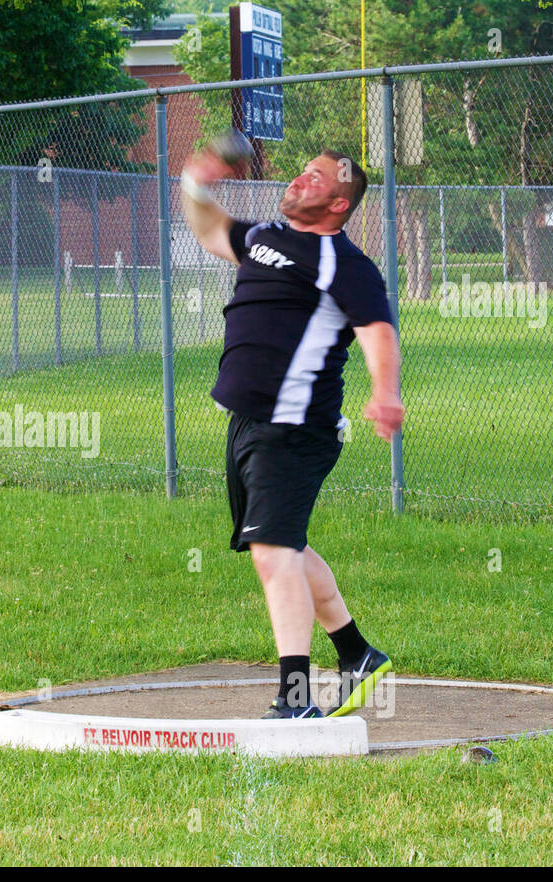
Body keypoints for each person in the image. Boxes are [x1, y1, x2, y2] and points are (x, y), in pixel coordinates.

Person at [180, 146, 404, 719]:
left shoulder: (343, 263)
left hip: (297, 427)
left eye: (316, 178)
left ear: (336, 203)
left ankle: (296, 700)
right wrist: (194, 180)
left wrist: (385, 392)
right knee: (285, 545)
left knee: (273, 551)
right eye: (303, 168)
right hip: (249, 422)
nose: (299, 178)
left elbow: (376, 329)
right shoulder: (265, 237)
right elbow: (210, 231)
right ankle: (357, 655)